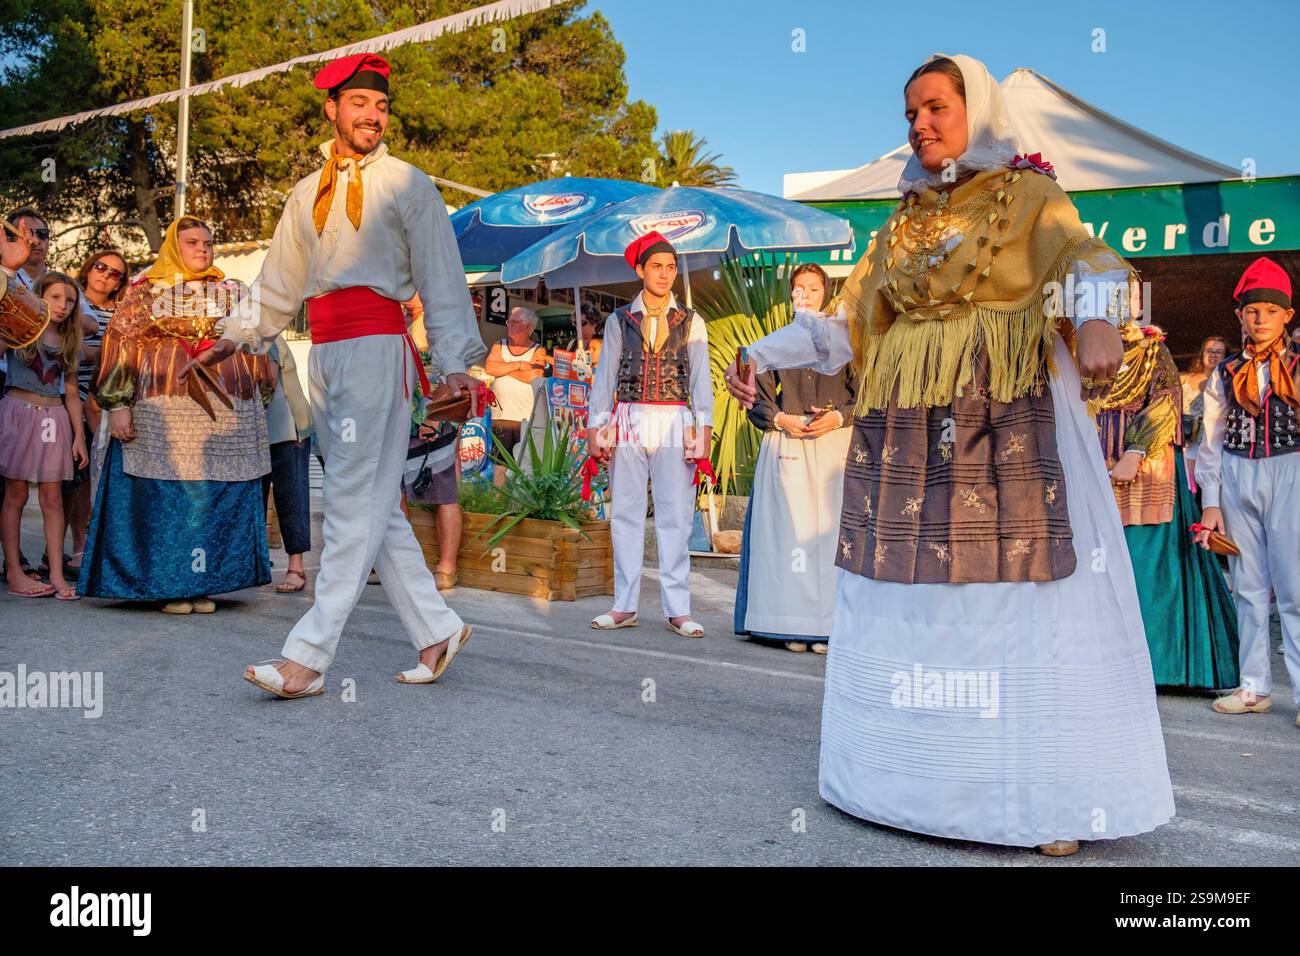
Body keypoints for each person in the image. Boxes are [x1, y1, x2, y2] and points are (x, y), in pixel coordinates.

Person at [725, 54, 1173, 855]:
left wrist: (1098, 316)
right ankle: (894, 783)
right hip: (905, 434)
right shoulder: (900, 224)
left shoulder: (1030, 194)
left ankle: (1034, 804)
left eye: (935, 107)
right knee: (908, 590)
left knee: (1014, 593)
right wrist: (763, 351)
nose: (920, 125)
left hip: (1006, 424)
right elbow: (849, 318)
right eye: (910, 114)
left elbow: (1086, 259)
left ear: (978, 111)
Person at [212, 52, 484, 698]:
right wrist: (229, 338)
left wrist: (457, 366)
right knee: (373, 505)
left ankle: (307, 657)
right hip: (326, 355)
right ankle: (436, 628)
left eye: (381, 105)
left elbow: (444, 282)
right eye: (359, 103)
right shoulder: (305, 194)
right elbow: (278, 287)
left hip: (377, 352)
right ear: (332, 109)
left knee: (349, 503)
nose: (373, 114)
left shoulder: (411, 185)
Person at [78, 216, 273, 614]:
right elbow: (121, 345)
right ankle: (169, 585)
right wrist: (117, 406)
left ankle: (203, 584)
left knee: (213, 496)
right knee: (172, 497)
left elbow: (258, 345)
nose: (203, 248)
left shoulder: (235, 292)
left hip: (225, 414)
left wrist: (259, 396)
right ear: (173, 246)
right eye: (192, 242)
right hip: (162, 413)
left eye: (208, 241)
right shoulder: (146, 293)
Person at [1094, 321, 1238, 689]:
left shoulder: (1152, 351)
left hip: (1146, 466)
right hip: (1092, 463)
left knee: (1149, 565)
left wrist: (1136, 449)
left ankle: (1157, 665)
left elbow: (1164, 402)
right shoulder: (1073, 345)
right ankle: (1099, 663)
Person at [587, 231, 713, 639]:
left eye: (671, 267)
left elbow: (700, 379)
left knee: (675, 513)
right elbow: (605, 375)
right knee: (624, 511)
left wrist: (705, 429)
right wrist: (595, 426)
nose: (664, 274)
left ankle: (678, 609)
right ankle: (624, 605)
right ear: (640, 270)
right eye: (657, 266)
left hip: (675, 419)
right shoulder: (619, 319)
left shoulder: (691, 321)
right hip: (627, 419)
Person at [1195, 257, 1299, 723]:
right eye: (1252, 311)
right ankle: (1254, 686)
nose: (1260, 319)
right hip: (1238, 474)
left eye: (1270, 312)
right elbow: (1210, 440)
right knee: (1248, 586)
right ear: (1240, 316)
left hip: (1290, 469)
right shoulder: (1224, 372)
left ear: (1287, 316)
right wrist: (1212, 502)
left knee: (1294, 588)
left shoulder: (1298, 365)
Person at [734, 263, 854, 654]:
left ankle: (829, 626)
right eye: (799, 287)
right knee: (788, 540)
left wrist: (837, 416)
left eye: (814, 287)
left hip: (834, 445)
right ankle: (787, 623)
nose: (806, 293)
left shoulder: (847, 342)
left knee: (829, 536)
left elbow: (867, 395)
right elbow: (754, 399)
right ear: (791, 295)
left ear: (826, 292)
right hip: (787, 444)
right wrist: (780, 417)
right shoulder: (775, 343)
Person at [1, 272, 88, 599]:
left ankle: (55, 574)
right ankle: (14, 572)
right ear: (39, 297)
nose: (62, 306)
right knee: (16, 495)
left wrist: (78, 436)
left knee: (52, 499)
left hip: (54, 418)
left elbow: (70, 390)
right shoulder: (17, 331)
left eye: (69, 301)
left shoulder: (69, 339)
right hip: (18, 411)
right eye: (55, 298)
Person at [64, 249, 129, 571]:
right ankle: (78, 546)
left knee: (104, 475)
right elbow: (72, 348)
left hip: (110, 400)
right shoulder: (70, 299)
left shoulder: (123, 310)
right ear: (89, 268)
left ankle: (102, 545)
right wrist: (100, 353)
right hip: (74, 397)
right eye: (101, 267)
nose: (106, 275)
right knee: (78, 480)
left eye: (115, 273)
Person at [263, 334, 314, 593]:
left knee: (291, 497)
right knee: (254, 498)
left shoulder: (265, 337)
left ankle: (297, 567)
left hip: (287, 429)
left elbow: (267, 380)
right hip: (259, 432)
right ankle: (256, 562)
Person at [484, 306, 548, 467]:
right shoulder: (500, 345)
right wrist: (520, 364)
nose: (509, 325)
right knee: (500, 462)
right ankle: (499, 493)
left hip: (526, 417)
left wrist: (504, 368)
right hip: (501, 417)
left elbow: (535, 377)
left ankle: (518, 493)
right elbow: (491, 368)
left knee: (524, 462)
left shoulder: (538, 350)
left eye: (514, 322)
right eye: (509, 321)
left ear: (528, 327)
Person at [1180, 335, 1228, 491]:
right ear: (1202, 354)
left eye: (1218, 352)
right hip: (1186, 445)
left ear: (1226, 356)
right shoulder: (1184, 379)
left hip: (1213, 445)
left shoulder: (1229, 382)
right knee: (1187, 489)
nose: (1213, 355)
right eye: (1209, 351)